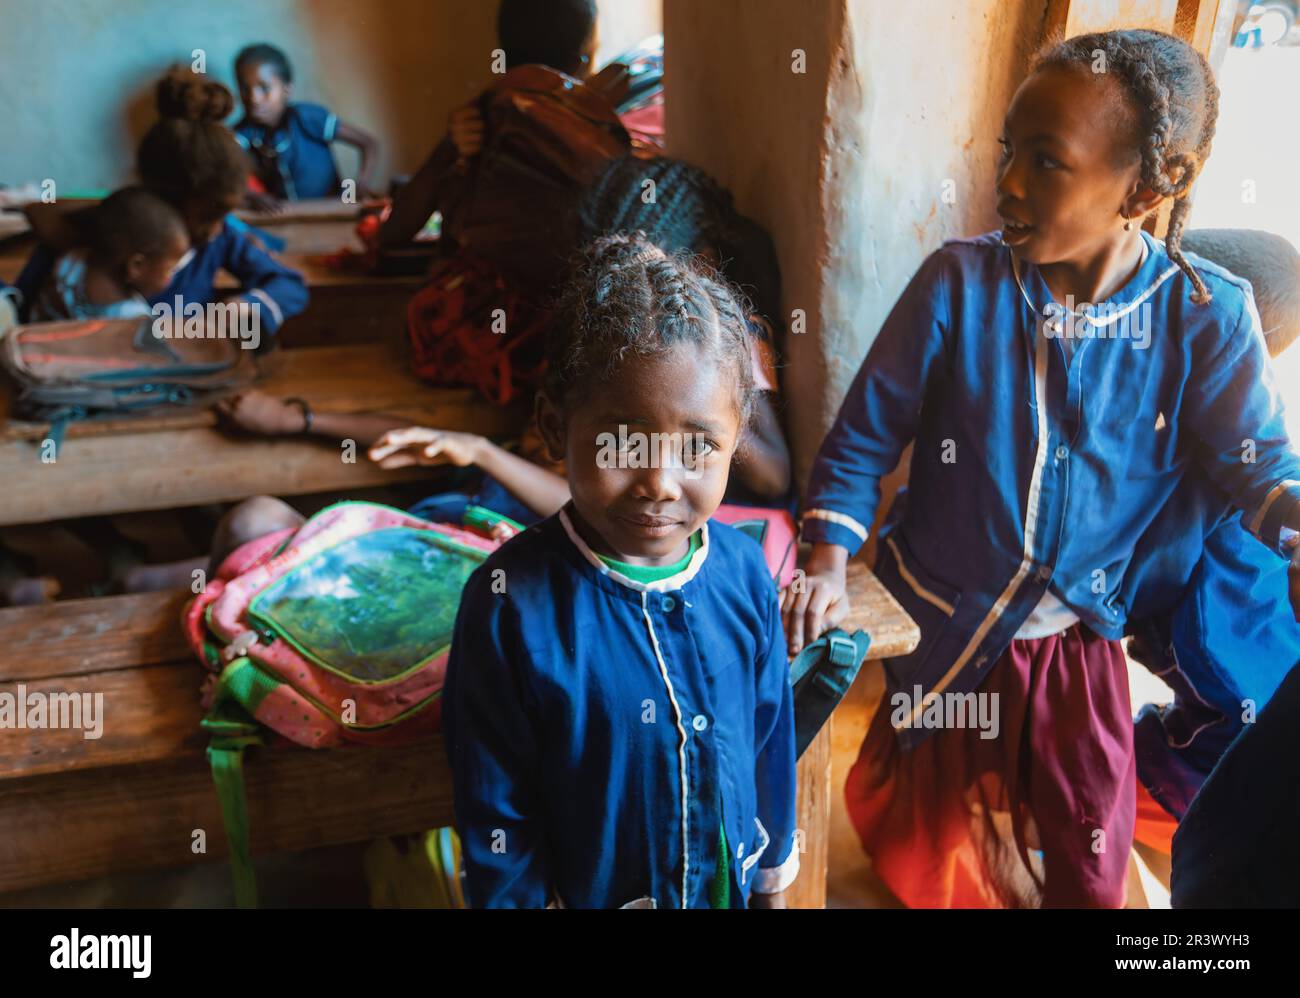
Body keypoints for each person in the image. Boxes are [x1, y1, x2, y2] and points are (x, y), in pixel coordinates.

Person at [785, 29, 1300, 907]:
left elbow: (1259, 469)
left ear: (1144, 189)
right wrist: (827, 565)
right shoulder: (959, 285)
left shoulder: (1205, 319)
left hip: (1075, 643)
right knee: (926, 833)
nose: (1010, 181)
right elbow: (865, 436)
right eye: (1007, 152)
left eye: (1047, 162)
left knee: (1084, 852)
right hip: (947, 615)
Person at [442, 233, 798, 908]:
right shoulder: (508, 605)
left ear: (736, 440)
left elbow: (769, 740)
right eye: (621, 443)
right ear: (554, 428)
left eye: (698, 447)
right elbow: (496, 814)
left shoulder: (746, 574)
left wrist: (772, 883)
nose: (660, 482)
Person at [15, 68, 307, 344]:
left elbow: (290, 286)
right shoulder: (100, 231)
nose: (217, 228)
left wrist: (248, 305)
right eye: (207, 215)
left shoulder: (220, 236)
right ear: (160, 198)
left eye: (224, 214)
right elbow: (19, 310)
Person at [232, 42, 381, 208]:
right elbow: (221, 173)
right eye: (245, 89)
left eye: (265, 88)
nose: (254, 98)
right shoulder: (243, 132)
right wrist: (251, 196)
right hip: (288, 217)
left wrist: (360, 186)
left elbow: (369, 144)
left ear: (287, 90)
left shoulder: (308, 118)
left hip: (332, 211)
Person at [29, 186, 189, 322]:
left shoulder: (70, 261)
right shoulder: (133, 319)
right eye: (171, 270)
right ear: (137, 265)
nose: (172, 278)